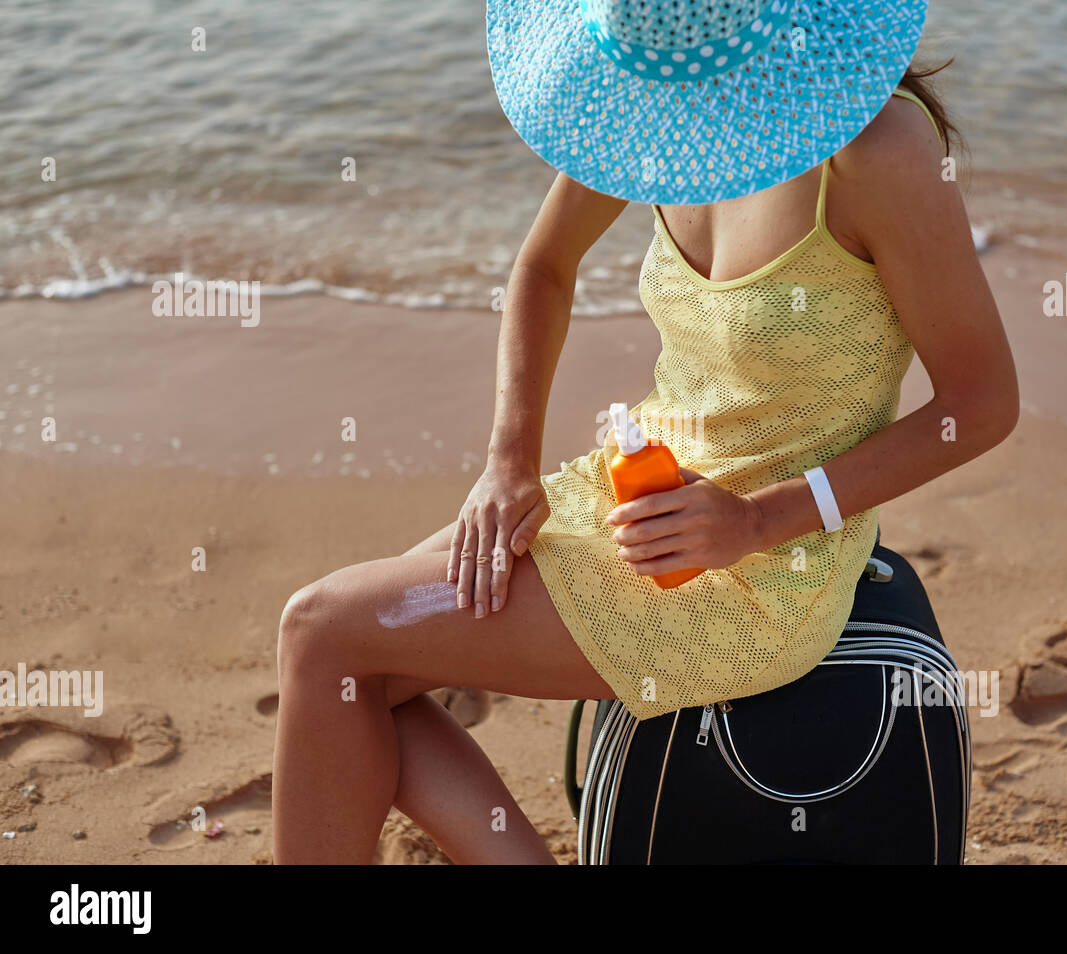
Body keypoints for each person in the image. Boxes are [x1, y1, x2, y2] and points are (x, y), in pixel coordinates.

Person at [272, 0, 1018, 864]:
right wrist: (508, 463)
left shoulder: (874, 152)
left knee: (323, 634)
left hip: (766, 570)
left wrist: (758, 521)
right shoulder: (651, 104)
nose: (680, 101)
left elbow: (981, 405)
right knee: (339, 668)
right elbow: (542, 269)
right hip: (633, 492)